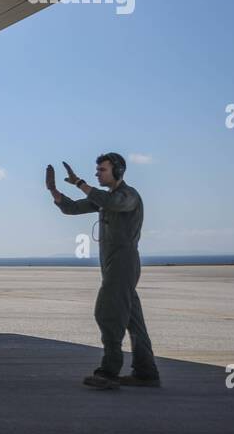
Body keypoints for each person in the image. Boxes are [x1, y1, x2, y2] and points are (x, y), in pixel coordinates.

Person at [47, 153, 160, 390]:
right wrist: (54, 192)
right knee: (133, 320)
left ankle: (108, 372)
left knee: (107, 313)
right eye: (97, 170)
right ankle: (146, 373)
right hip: (112, 265)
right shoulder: (105, 197)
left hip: (123, 263)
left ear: (118, 171)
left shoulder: (128, 195)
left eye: (102, 170)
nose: (97, 173)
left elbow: (112, 203)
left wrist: (79, 183)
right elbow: (73, 208)